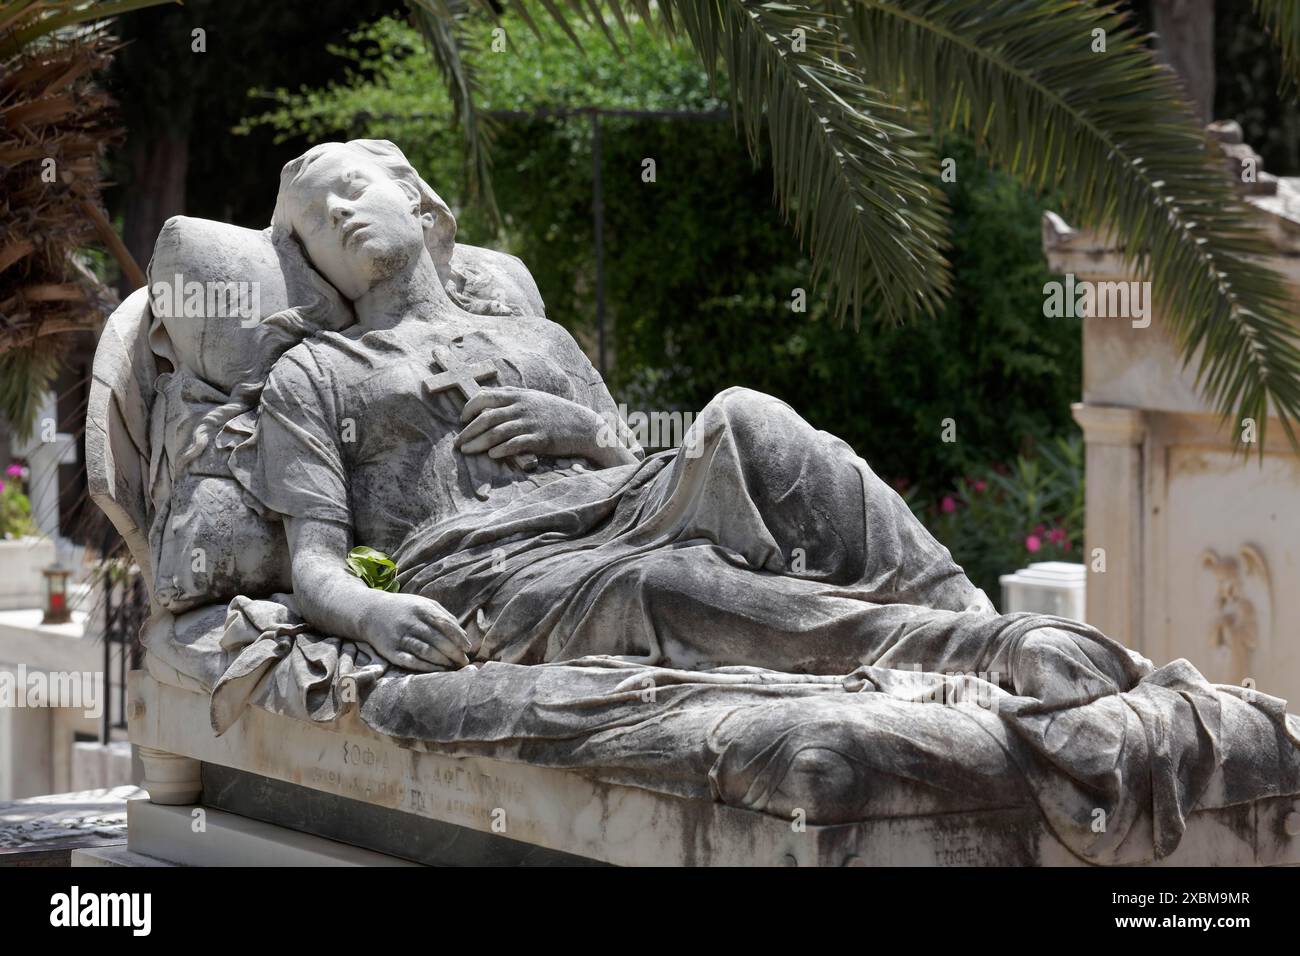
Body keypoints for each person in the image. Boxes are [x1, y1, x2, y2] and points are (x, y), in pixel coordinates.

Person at [229, 139, 1146, 705]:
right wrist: (373, 612)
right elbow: (314, 562)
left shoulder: (537, 336)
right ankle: (987, 652)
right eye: (312, 221)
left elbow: (631, 462)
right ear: (310, 268)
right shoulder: (313, 373)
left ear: (422, 204)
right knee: (666, 582)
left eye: (350, 188)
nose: (337, 214)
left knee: (746, 414)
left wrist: (583, 429)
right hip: (493, 569)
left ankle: (957, 606)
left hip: (618, 501)